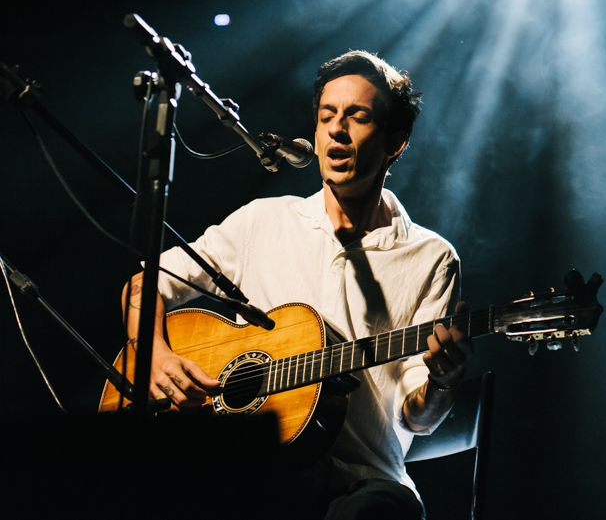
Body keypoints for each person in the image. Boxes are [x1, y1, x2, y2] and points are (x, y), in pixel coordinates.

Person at [121, 50, 474, 520]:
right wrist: (154, 355)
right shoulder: (263, 221)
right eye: (327, 116)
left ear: (395, 142)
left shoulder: (431, 258)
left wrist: (443, 382)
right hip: (248, 473)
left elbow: (416, 417)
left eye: (357, 117)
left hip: (360, 484)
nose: (336, 130)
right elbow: (146, 284)